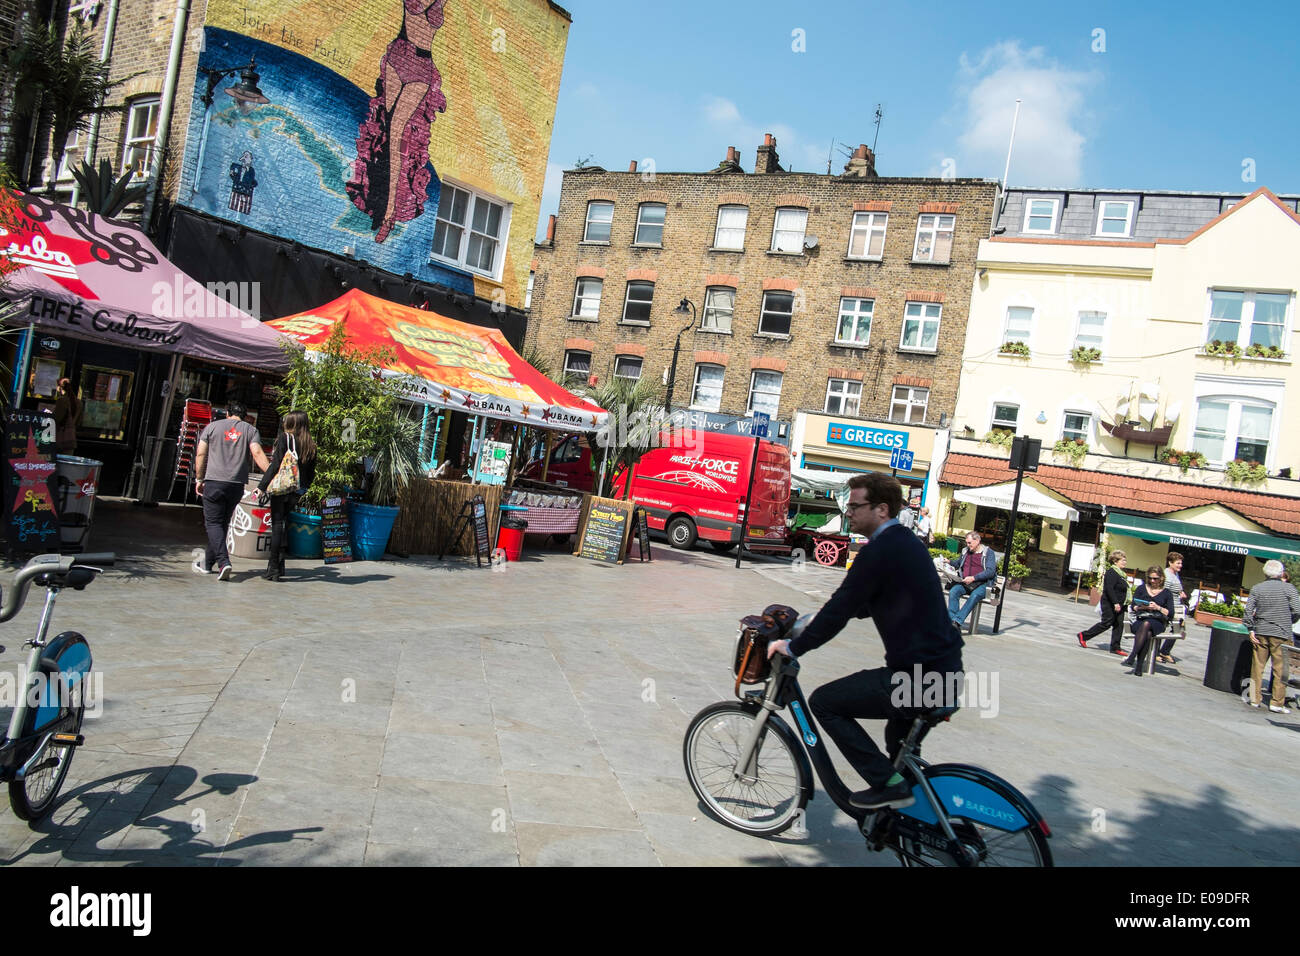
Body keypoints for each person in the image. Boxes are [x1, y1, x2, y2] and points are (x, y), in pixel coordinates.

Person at [765, 472, 963, 809]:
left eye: (856, 506)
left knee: (826, 703)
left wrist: (794, 646)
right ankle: (912, 820)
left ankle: (890, 786)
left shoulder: (879, 551)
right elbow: (867, 603)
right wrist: (809, 622)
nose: (849, 513)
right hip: (943, 674)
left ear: (882, 509)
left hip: (918, 679)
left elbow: (840, 609)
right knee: (899, 748)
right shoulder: (905, 542)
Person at [347, 0, 449, 243]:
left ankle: (389, 214)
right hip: (398, 55)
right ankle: (376, 198)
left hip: (422, 68)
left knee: (396, 131)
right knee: (386, 128)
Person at [194, 401, 270, 580]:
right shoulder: (251, 431)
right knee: (221, 524)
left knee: (213, 524)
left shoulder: (212, 427)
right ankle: (206, 563)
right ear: (244, 416)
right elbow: (258, 454)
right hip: (236, 485)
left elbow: (200, 454)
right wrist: (272, 475)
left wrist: (199, 478)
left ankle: (223, 562)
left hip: (213, 481)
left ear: (227, 413)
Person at [257, 411, 317, 582]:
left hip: (282, 488)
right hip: (297, 491)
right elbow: (311, 473)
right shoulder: (311, 445)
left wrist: (262, 486)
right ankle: (280, 565)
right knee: (283, 522)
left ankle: (273, 568)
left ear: (290, 422)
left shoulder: (285, 438)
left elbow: (275, 464)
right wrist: (303, 489)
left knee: (277, 525)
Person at [1243, 560, 1300, 713]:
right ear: (1281, 573)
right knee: (1280, 669)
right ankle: (1276, 703)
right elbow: (1297, 609)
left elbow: (1248, 612)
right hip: (1282, 632)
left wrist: (1251, 629)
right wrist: (1289, 620)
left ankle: (1254, 699)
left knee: (1257, 667)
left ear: (1265, 573)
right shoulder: (1289, 588)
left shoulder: (1257, 588)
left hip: (1261, 631)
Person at [1122, 566, 1175, 676]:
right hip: (1141, 619)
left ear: (1161, 578)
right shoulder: (1141, 588)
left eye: (1155, 578)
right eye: (1150, 578)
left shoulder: (1167, 593)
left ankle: (1132, 656)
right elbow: (1133, 606)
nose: (1152, 581)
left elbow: (1171, 613)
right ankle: (1139, 667)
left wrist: (1158, 607)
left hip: (1157, 622)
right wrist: (1142, 607)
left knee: (1148, 625)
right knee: (1148, 632)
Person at [1077, 549, 1129, 655]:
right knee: (1106, 623)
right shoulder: (1112, 572)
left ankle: (1115, 647)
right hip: (1110, 603)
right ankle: (1084, 635)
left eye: (1125, 560)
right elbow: (1109, 589)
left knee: (1119, 625)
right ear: (1115, 561)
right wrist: (1115, 603)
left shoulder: (1122, 574)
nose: (1125, 562)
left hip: (1121, 604)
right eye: (1122, 560)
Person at [946, 531, 998, 629]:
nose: (968, 545)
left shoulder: (988, 553)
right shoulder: (965, 551)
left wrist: (974, 578)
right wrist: (949, 562)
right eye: (967, 543)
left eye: (969, 543)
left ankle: (957, 622)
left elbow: (991, 571)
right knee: (954, 591)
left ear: (977, 541)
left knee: (975, 595)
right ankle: (952, 623)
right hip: (966, 583)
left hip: (982, 584)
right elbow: (959, 563)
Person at [1156, 552, 1188, 663]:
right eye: (1178, 563)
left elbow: (1176, 588)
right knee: (1161, 628)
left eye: (1181, 563)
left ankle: (1164, 651)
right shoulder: (1167, 575)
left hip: (1177, 606)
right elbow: (1164, 591)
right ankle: (1155, 652)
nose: (1180, 565)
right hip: (1169, 607)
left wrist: (1180, 592)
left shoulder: (1175, 574)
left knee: (1179, 629)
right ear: (1170, 563)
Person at [52, 377, 80, 454]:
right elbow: (78, 421)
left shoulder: (62, 401)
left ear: (59, 387)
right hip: (71, 439)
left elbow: (56, 420)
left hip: (59, 439)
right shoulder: (79, 402)